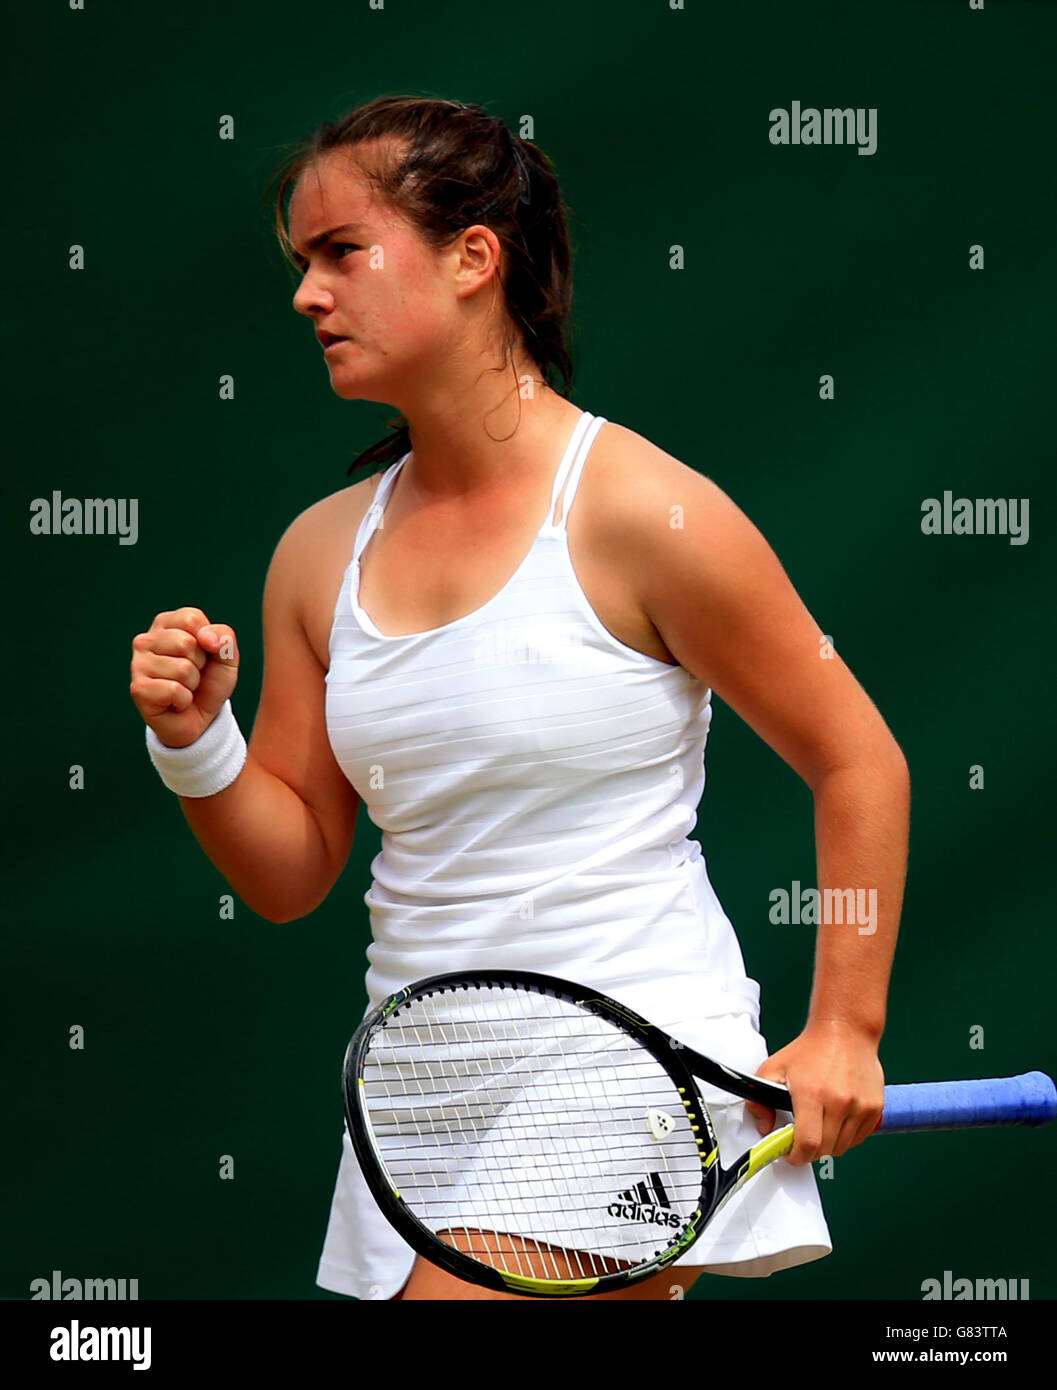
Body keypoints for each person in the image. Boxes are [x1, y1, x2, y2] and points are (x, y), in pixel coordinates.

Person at [129, 95, 910, 1302]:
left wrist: (844, 1027)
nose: (306, 294)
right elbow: (290, 876)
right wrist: (197, 745)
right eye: (301, 263)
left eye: (342, 252)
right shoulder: (313, 556)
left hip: (631, 1074)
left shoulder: (649, 511)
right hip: (417, 1096)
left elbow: (859, 760)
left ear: (472, 259)